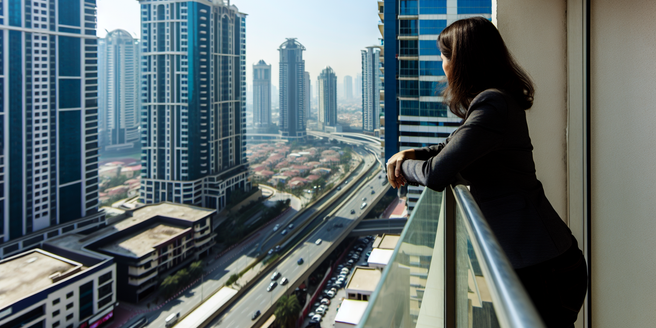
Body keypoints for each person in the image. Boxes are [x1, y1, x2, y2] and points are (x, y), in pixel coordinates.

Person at [386, 17, 588, 328]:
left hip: (546, 269)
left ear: (463, 60)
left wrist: (403, 167)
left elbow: (437, 173)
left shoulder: (493, 105)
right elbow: (451, 145)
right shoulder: (493, 103)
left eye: (445, 56)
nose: (442, 65)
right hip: (539, 262)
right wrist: (411, 153)